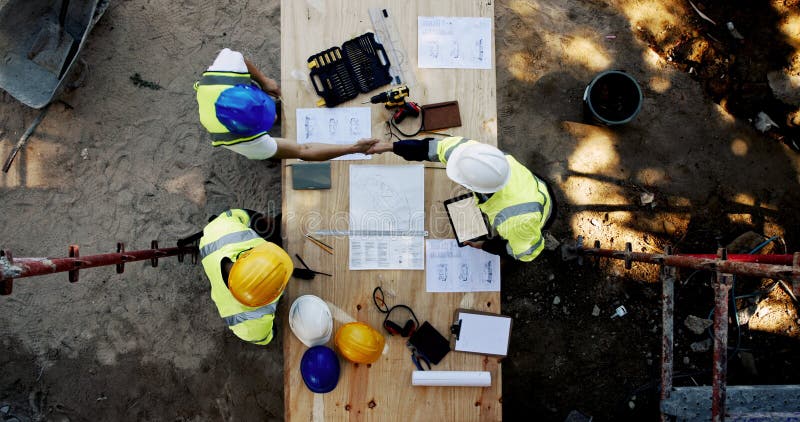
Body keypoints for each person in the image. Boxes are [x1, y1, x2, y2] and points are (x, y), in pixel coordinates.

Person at [367, 136, 555, 262]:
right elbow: (428, 148)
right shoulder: (470, 154)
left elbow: (527, 252)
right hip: (530, 184)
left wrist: (486, 246)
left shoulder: (516, 221)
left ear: (476, 187)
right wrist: (389, 146)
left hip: (541, 210)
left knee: (518, 241)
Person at [195, 48, 376, 160]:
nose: (273, 116)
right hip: (240, 137)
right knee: (273, 153)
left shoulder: (226, 71)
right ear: (249, 131)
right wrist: (353, 148)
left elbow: (241, 58)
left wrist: (264, 80)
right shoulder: (242, 143)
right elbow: (303, 151)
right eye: (266, 120)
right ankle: (270, 152)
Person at [199, 208, 292, 345]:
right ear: (263, 301)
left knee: (263, 223)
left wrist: (263, 222)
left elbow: (242, 215)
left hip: (215, 244)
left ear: (248, 254)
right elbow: (267, 337)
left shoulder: (220, 228)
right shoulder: (249, 325)